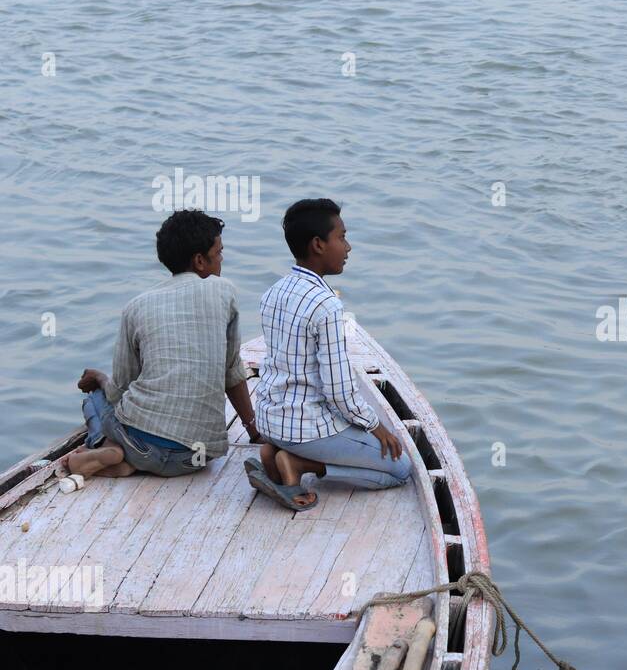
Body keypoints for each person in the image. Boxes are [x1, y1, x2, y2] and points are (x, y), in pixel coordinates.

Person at [62, 209, 257, 484]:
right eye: (220, 252)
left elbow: (119, 391)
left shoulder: (136, 307)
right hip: (196, 458)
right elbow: (232, 372)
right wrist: (253, 429)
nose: (222, 259)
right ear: (200, 260)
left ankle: (111, 450)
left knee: (95, 400)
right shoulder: (225, 292)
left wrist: (101, 379)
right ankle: (128, 461)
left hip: (140, 444)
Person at [249, 198, 410, 511]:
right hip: (304, 429)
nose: (348, 247)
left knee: (343, 428)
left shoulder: (274, 292)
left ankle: (274, 453)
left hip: (270, 420)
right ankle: (300, 465)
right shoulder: (326, 306)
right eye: (342, 237)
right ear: (318, 245)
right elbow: (339, 392)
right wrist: (376, 427)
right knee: (400, 468)